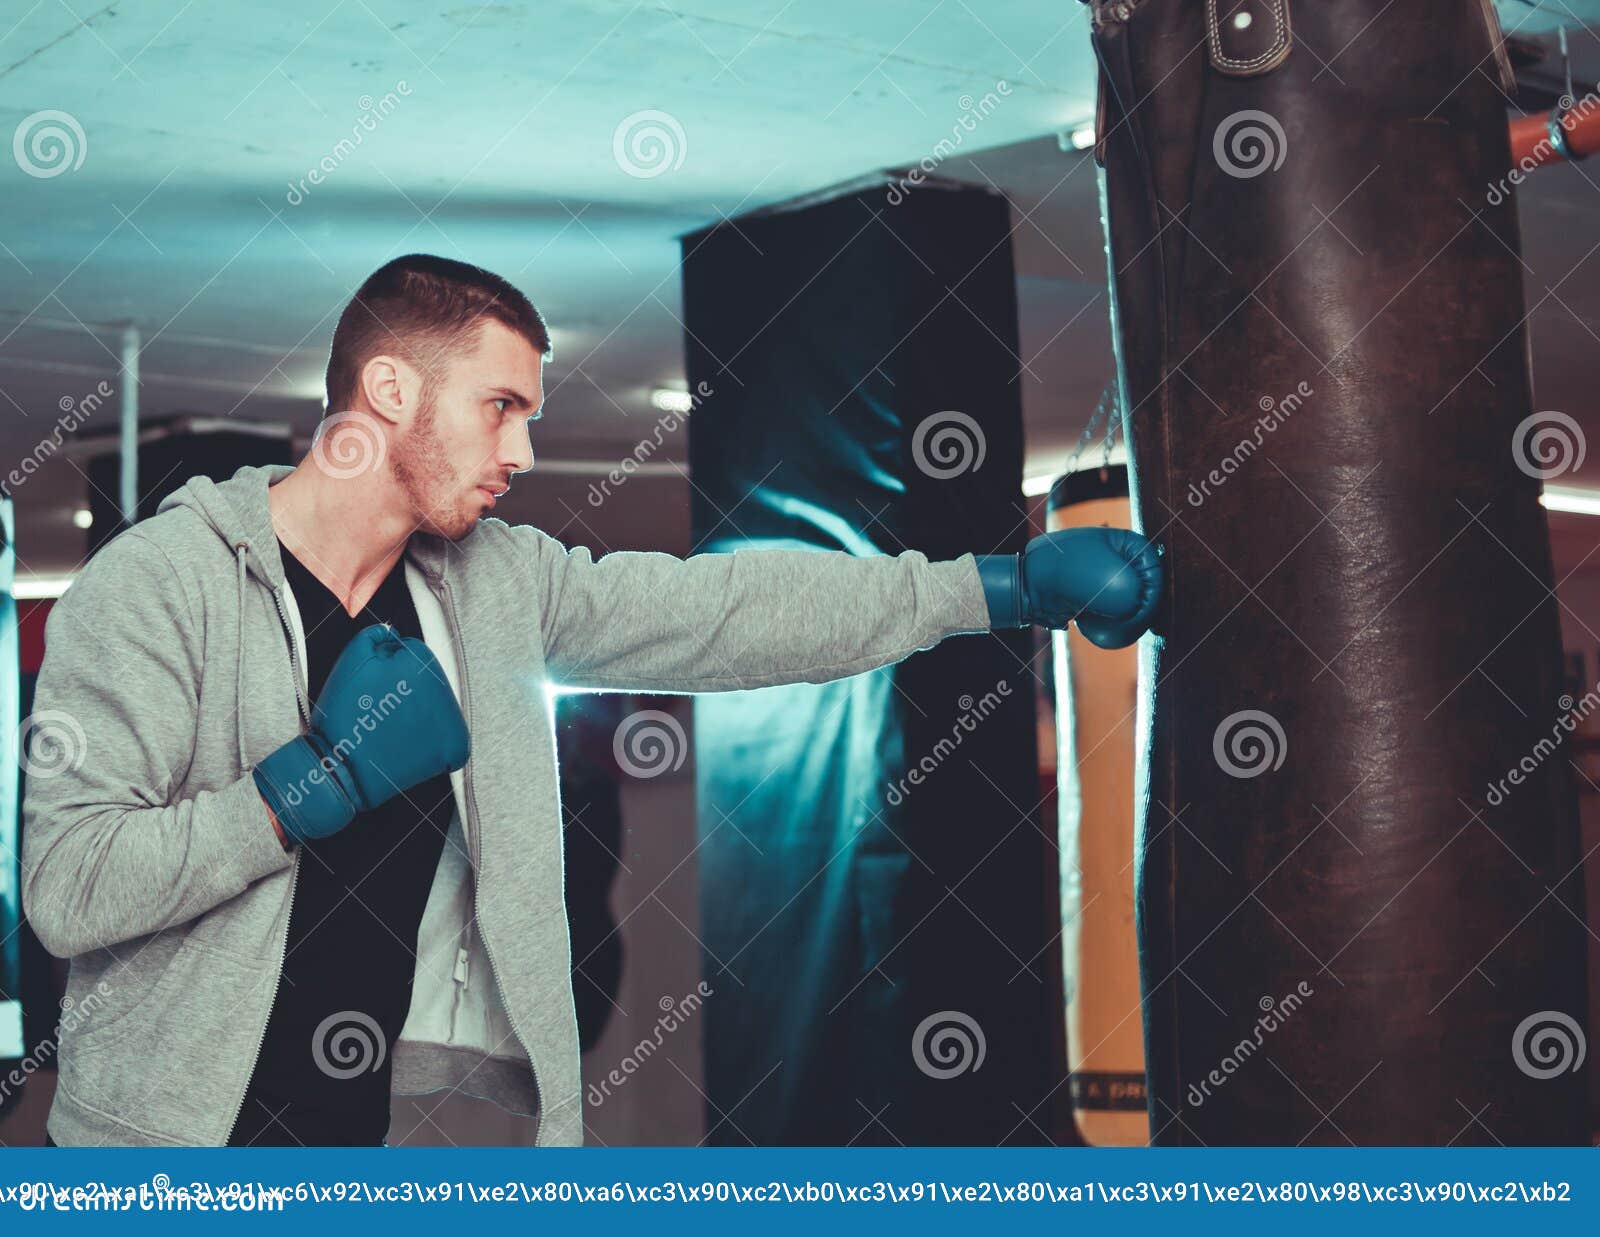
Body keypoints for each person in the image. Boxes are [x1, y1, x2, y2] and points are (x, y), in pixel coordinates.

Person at [20, 254, 1162, 1148]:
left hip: (377, 1139)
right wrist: (302, 789)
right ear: (387, 389)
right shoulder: (160, 584)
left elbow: (721, 614)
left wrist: (989, 587)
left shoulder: (492, 582)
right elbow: (70, 891)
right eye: (500, 406)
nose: (521, 448)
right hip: (163, 1159)